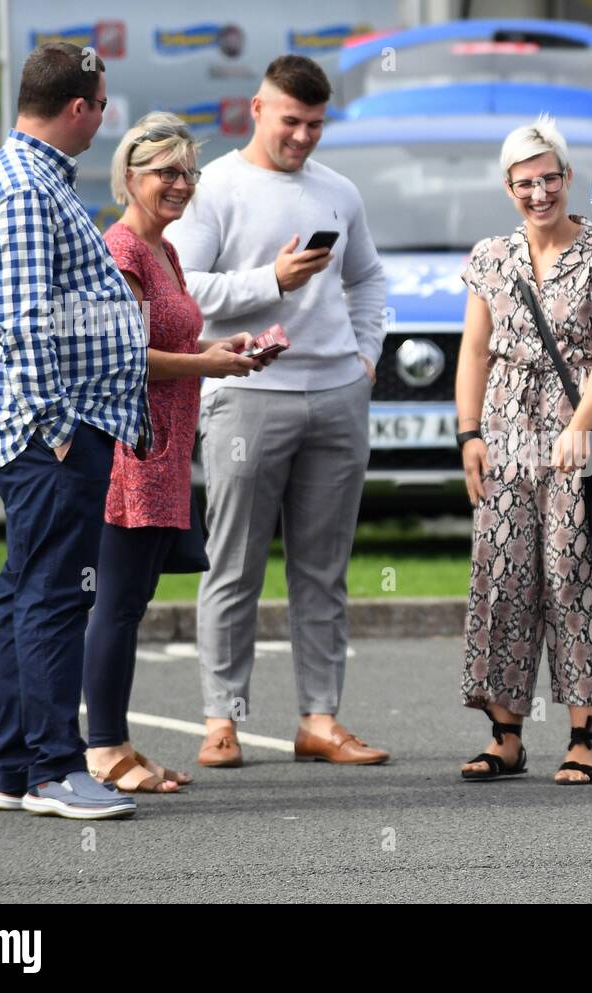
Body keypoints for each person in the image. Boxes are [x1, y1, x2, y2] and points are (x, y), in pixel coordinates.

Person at [167, 55, 389, 768]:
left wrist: (365, 357)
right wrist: (270, 280)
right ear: (255, 108)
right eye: (291, 120)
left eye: (316, 124)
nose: (302, 136)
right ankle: (220, 719)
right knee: (234, 566)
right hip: (245, 393)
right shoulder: (213, 190)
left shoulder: (339, 191)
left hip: (336, 396)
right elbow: (180, 292)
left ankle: (319, 718)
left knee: (323, 570)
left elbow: (368, 278)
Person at [0, 43, 150, 819]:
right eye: (102, 105)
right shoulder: (22, 189)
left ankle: (18, 767)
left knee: (24, 594)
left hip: (53, 431)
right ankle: (53, 769)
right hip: (51, 436)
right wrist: (58, 427)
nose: (104, 118)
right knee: (52, 598)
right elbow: (22, 322)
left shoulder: (34, 181)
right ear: (79, 107)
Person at [82, 113, 273, 793]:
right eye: (165, 171)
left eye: (188, 171)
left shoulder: (163, 251)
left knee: (130, 602)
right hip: (132, 451)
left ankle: (117, 743)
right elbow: (127, 359)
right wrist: (211, 367)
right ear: (129, 176)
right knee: (115, 602)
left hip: (165, 452)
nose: (181, 184)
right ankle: (103, 748)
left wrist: (227, 351)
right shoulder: (122, 248)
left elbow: (174, 345)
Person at [455, 115, 592, 785]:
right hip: (503, 435)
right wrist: (468, 433)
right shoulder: (488, 257)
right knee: (503, 575)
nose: (539, 193)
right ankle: (505, 734)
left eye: (550, 179)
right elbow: (475, 349)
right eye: (525, 183)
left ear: (568, 178)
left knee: (572, 575)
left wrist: (580, 424)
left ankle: (585, 737)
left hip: (576, 439)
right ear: (508, 188)